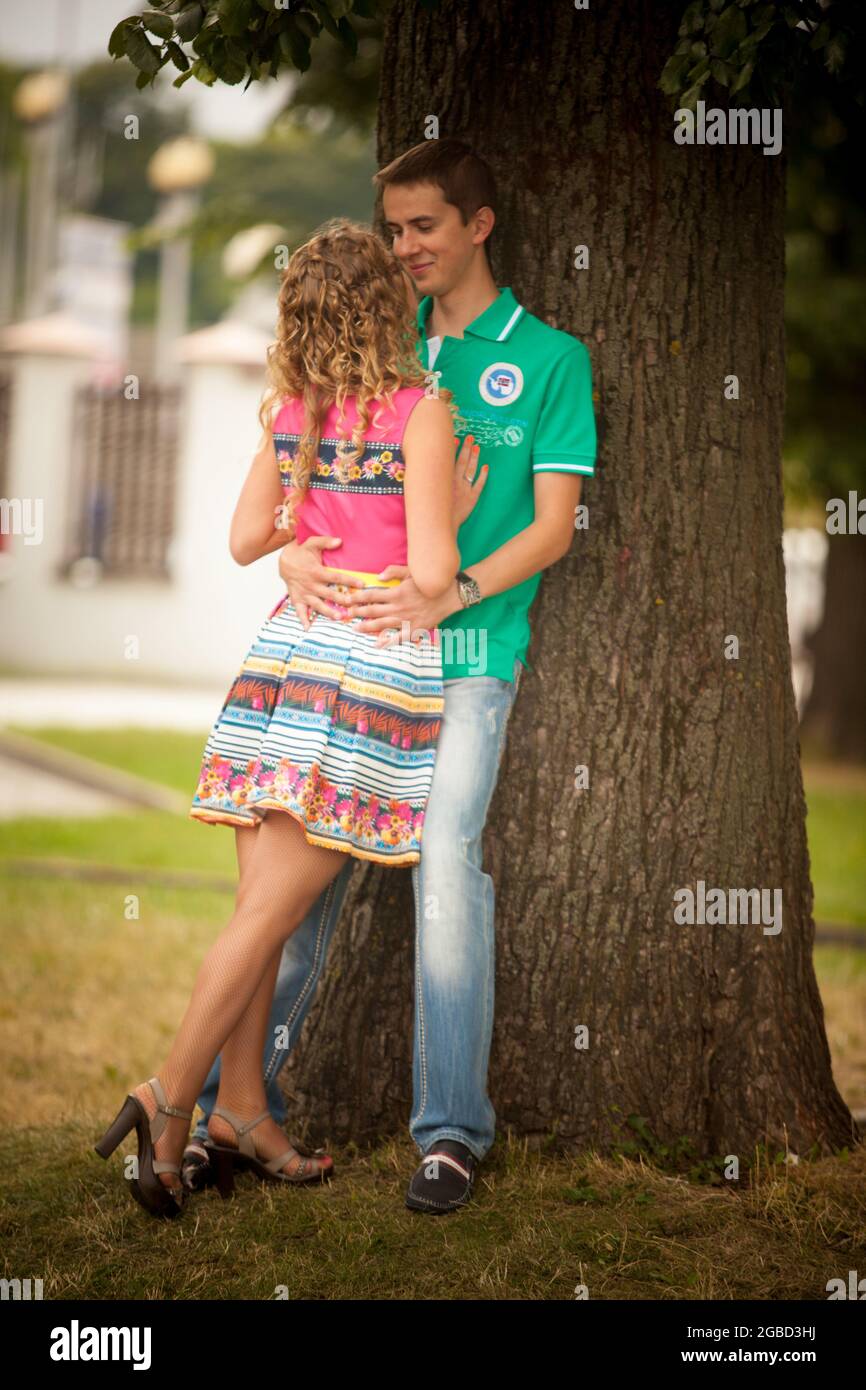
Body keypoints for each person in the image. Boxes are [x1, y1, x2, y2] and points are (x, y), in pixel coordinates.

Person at [183, 139, 598, 1216]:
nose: (404, 245)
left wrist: (444, 592)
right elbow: (304, 487)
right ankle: (231, 1108)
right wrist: (287, 553)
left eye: (423, 226)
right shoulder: (375, 342)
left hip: (467, 659)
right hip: (356, 663)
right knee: (289, 896)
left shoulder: (548, 360)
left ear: (478, 225)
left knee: (445, 861)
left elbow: (553, 528)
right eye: (395, 228)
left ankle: (449, 1132)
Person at [94, 219, 463, 1219]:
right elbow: (429, 574)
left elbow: (241, 537)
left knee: (262, 915)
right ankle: (168, 1097)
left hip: (279, 667)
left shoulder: (290, 411)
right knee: (268, 915)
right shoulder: (419, 413)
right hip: (364, 677)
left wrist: (299, 542)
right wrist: (459, 511)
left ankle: (244, 1110)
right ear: (388, 310)